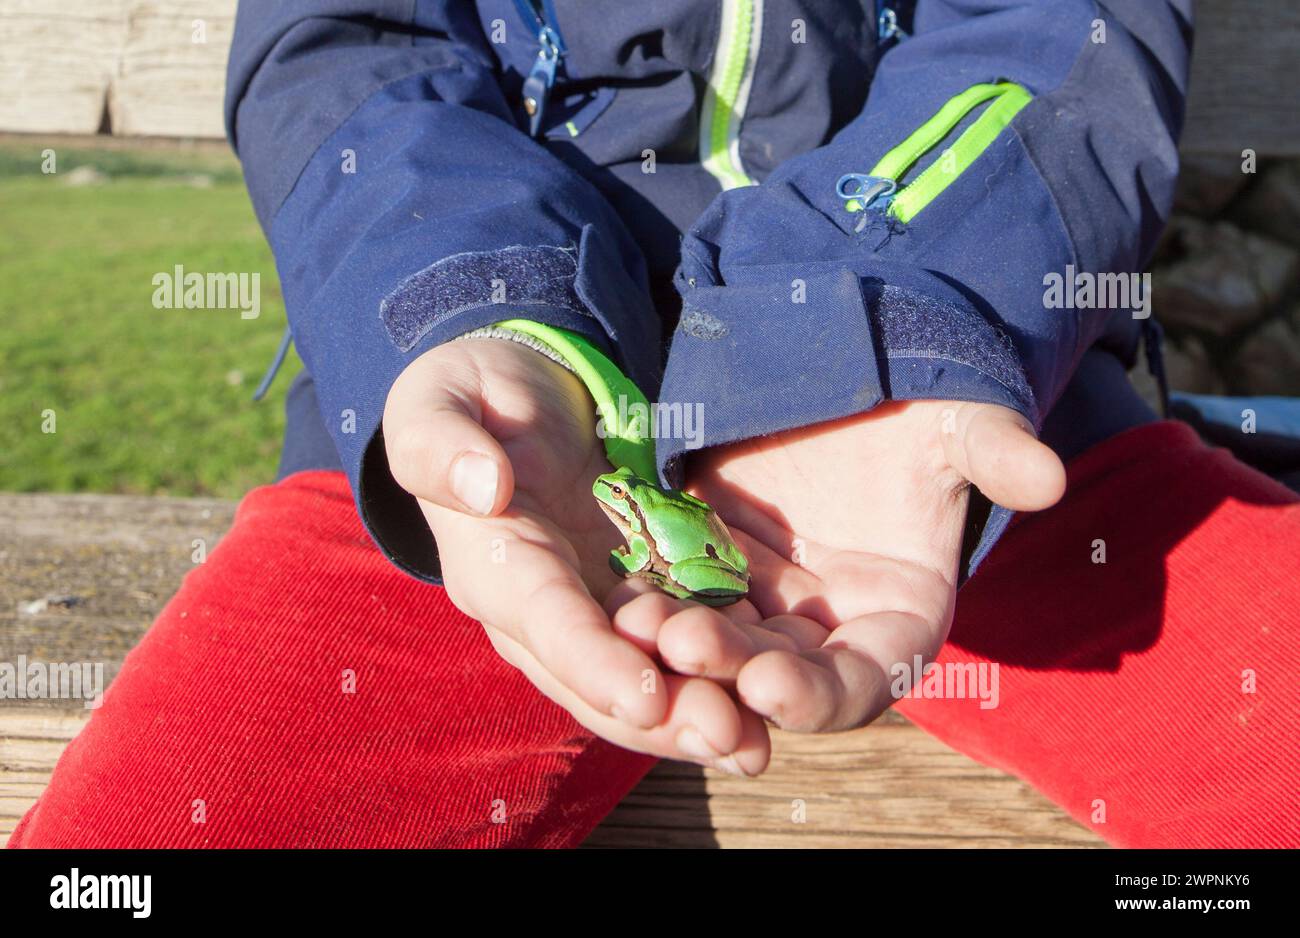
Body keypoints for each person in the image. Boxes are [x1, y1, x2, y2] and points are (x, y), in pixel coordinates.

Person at [11, 0, 1298, 849]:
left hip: (970, 416)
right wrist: (476, 315)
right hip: (497, 465)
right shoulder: (499, 454)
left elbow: (1058, 34)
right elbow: (350, 55)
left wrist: (894, 330)